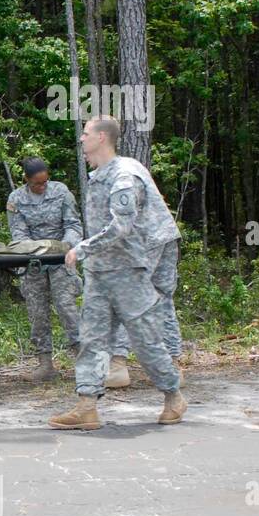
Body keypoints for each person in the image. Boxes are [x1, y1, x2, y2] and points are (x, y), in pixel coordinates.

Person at [49, 117, 187, 429]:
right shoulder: (98, 175)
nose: (81, 140)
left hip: (127, 268)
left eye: (85, 134)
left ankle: (173, 396)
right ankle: (87, 405)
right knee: (92, 338)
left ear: (101, 137)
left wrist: (82, 249)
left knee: (144, 337)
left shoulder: (124, 174)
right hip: (100, 270)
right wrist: (90, 256)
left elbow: (122, 226)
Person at [6, 157, 83, 382]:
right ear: (26, 180)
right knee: (37, 312)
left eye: (44, 182)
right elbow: (18, 233)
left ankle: (84, 360)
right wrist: (35, 250)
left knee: (67, 307)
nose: (42, 186)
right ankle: (45, 364)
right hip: (34, 262)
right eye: (37, 183)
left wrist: (66, 247)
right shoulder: (16, 199)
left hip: (61, 258)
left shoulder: (61, 192)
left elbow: (73, 225)